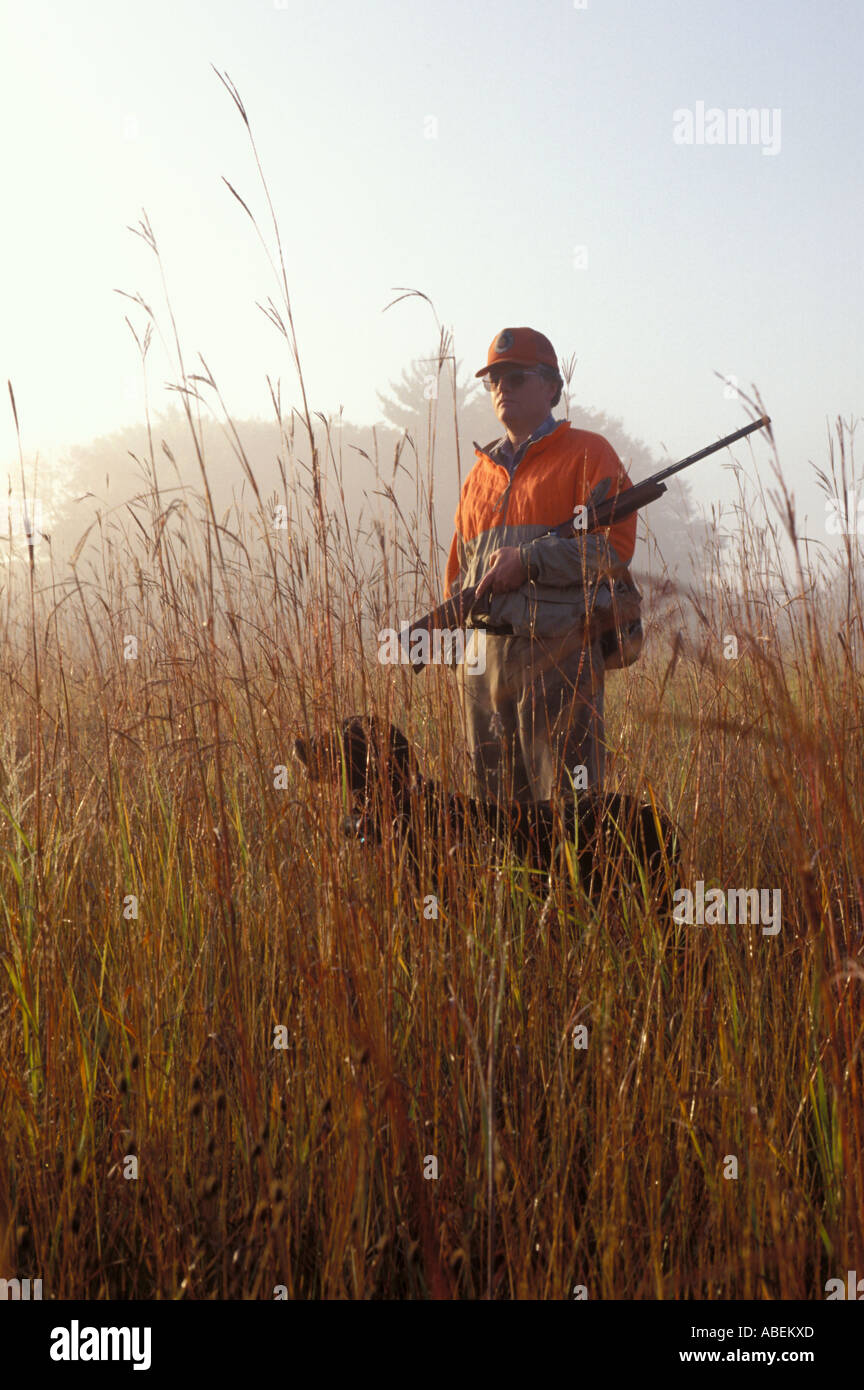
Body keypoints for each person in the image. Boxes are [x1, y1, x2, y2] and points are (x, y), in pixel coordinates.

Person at [445, 326, 637, 804]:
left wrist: (529, 563)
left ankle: (581, 883)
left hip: (561, 661)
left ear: (552, 386)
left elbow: (612, 549)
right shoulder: (478, 478)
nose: (501, 390)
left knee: (575, 812)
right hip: (484, 669)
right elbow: (457, 577)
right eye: (493, 382)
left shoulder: (589, 455)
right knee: (493, 815)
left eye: (515, 378)